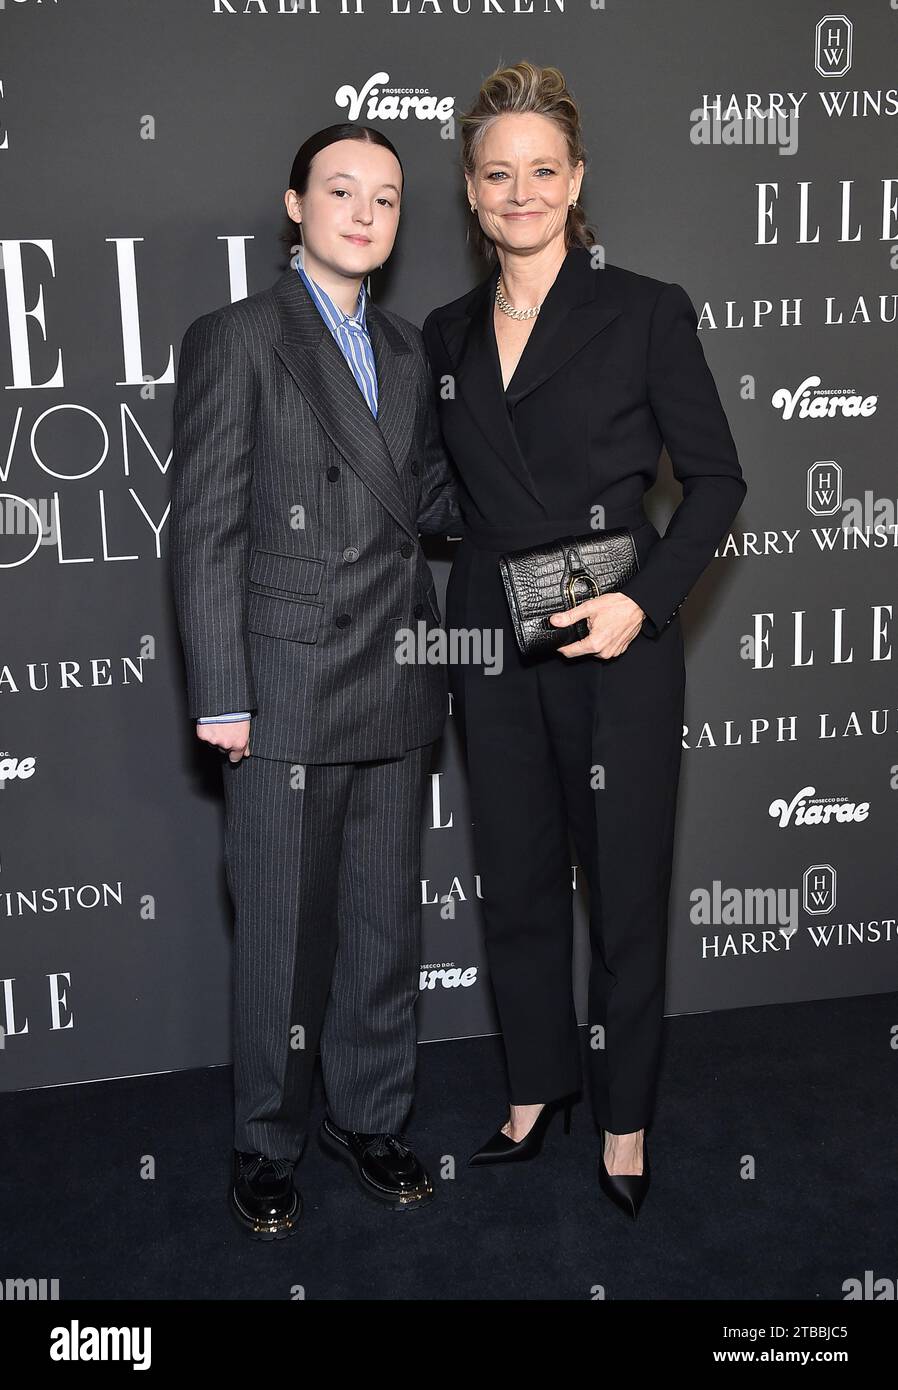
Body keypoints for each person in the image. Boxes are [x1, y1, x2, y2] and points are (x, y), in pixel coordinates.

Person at [422, 61, 747, 1220]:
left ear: (576, 180)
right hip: (491, 642)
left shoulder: (644, 307)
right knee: (510, 876)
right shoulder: (445, 332)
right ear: (468, 189)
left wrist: (642, 601)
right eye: (497, 173)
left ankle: (623, 1117)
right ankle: (532, 1090)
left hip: (615, 640)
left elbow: (716, 480)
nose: (521, 193)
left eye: (541, 171)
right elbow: (432, 490)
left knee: (620, 888)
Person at [170, 123, 460, 1239]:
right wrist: (223, 691)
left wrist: (541, 489)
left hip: (396, 673)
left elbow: (431, 502)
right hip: (283, 686)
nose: (363, 212)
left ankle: (371, 1116)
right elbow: (202, 531)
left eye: (385, 198)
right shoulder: (237, 338)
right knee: (287, 938)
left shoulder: (403, 350)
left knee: (384, 928)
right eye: (341, 190)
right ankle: (267, 1140)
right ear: (295, 204)